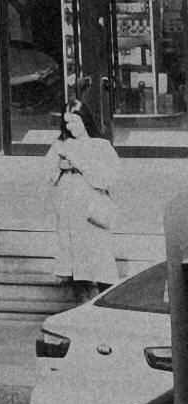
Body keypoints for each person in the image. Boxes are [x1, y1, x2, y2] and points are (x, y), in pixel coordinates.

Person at [45, 101, 120, 292]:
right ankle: (80, 304)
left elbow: (109, 177)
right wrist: (59, 167)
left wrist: (80, 165)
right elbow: (48, 175)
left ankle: (104, 304)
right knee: (76, 264)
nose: (71, 127)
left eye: (75, 121)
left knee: (100, 257)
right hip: (70, 208)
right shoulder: (61, 144)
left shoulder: (101, 145)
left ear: (85, 120)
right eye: (67, 122)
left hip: (92, 208)